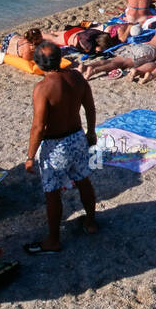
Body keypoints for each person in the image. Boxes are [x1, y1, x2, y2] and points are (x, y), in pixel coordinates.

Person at [24, 43, 97, 254]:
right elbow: (90, 108)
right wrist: (91, 133)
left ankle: (53, 240)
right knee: (83, 180)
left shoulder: (43, 88)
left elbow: (38, 126)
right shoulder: (76, 77)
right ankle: (91, 223)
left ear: (37, 64)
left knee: (52, 192)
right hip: (77, 138)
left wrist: (30, 156)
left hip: (56, 145)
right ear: (60, 58)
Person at [79, 24, 156, 78]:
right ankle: (93, 71)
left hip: (139, 46)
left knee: (114, 60)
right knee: (120, 64)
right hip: (149, 50)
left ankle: (87, 66)